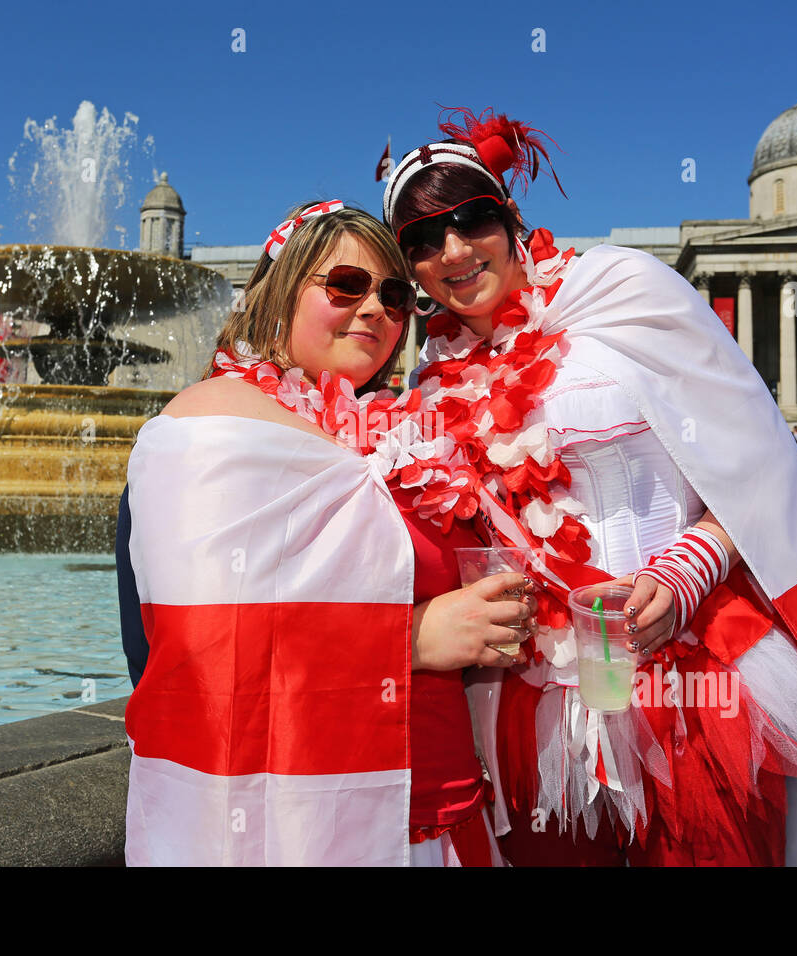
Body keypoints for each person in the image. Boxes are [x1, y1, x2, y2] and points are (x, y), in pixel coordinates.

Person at [381, 108, 797, 866]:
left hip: (694, 677)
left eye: (473, 217)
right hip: (534, 708)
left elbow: (760, 473)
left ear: (511, 216)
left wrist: (687, 570)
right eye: (421, 238)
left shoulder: (624, 289)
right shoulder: (426, 384)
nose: (452, 249)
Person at [119, 201, 528, 866]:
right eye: (345, 286)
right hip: (306, 827)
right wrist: (409, 640)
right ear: (279, 295)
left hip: (441, 812)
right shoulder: (212, 427)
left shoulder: (397, 437)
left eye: (395, 295)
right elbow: (189, 654)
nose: (376, 309)